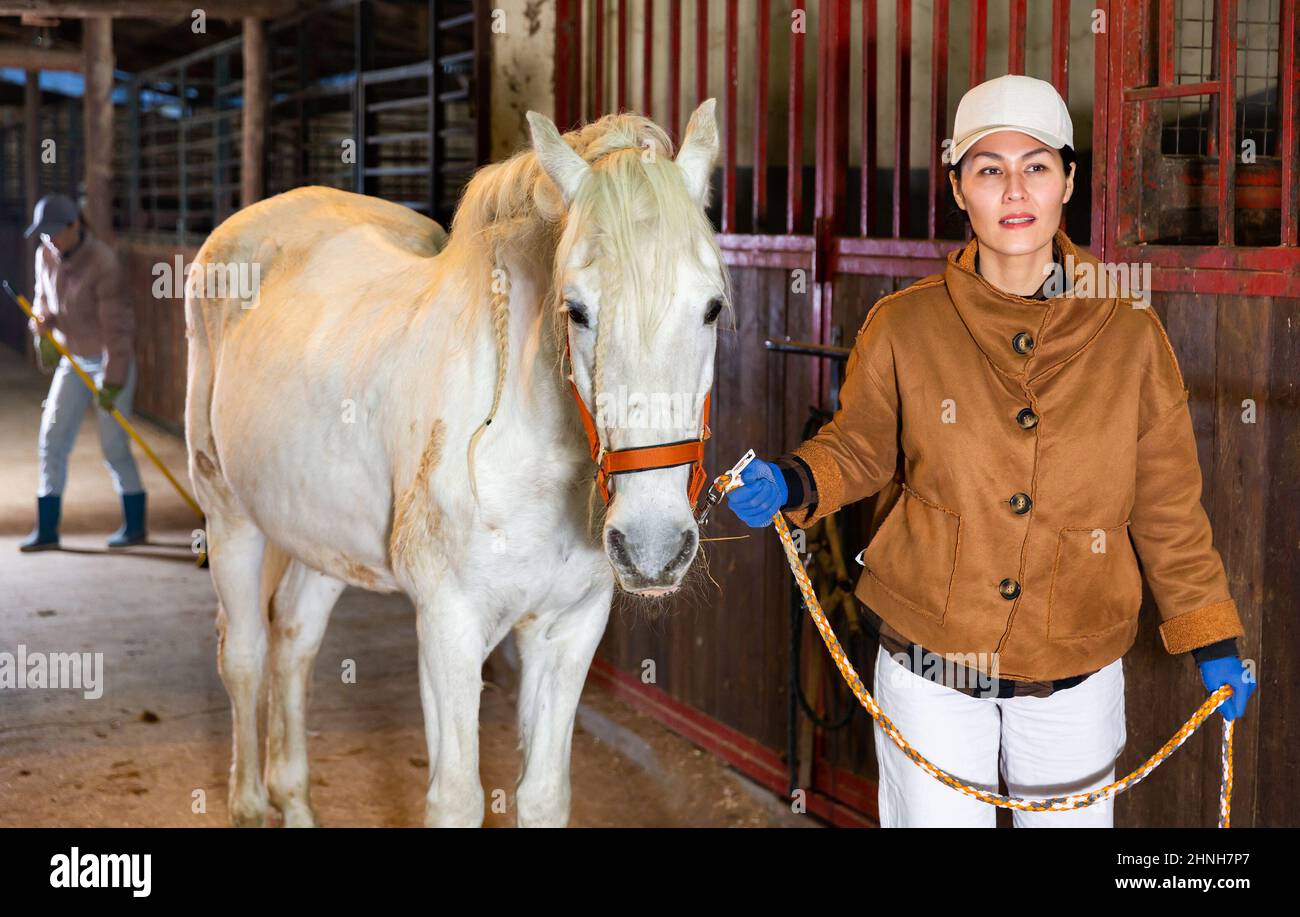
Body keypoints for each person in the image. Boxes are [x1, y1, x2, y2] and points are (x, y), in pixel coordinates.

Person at [726, 74, 1255, 827]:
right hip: (930, 668)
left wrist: (1211, 633)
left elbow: (1166, 502)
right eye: (989, 168)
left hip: (1074, 672)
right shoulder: (904, 325)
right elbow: (862, 447)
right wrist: (794, 477)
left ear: (1070, 181)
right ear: (958, 187)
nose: (1014, 188)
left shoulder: (1130, 335)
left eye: (1037, 165)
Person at [19, 192, 147, 552]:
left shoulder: (103, 262)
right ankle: (47, 530)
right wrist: (41, 324)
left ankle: (135, 525)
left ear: (75, 225)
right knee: (52, 440)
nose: (49, 239)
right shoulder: (45, 254)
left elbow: (117, 330)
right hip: (71, 359)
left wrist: (114, 379)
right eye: (43, 233)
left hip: (108, 359)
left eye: (55, 232)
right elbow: (43, 300)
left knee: (113, 446)